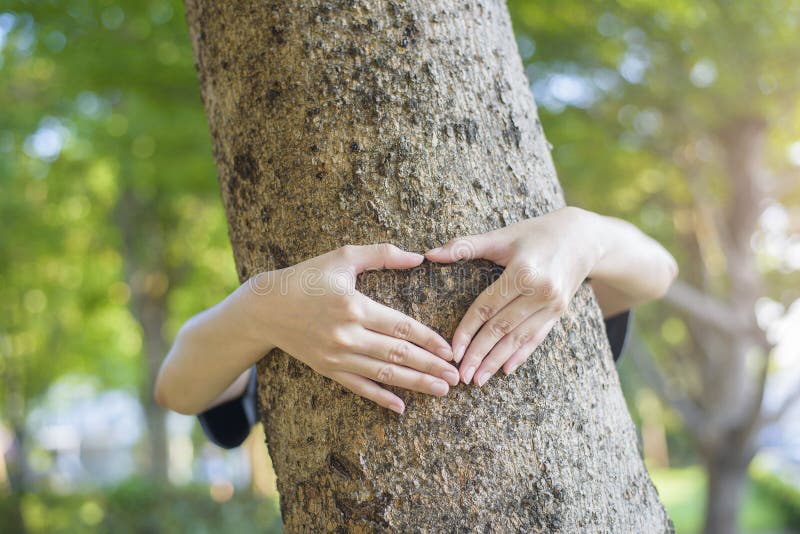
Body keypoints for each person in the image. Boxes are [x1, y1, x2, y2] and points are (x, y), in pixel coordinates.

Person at [154, 206, 677, 449]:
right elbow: (181, 387)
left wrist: (585, 233)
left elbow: (655, 273)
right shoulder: (301, 332)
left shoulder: (540, 298)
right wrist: (259, 307)